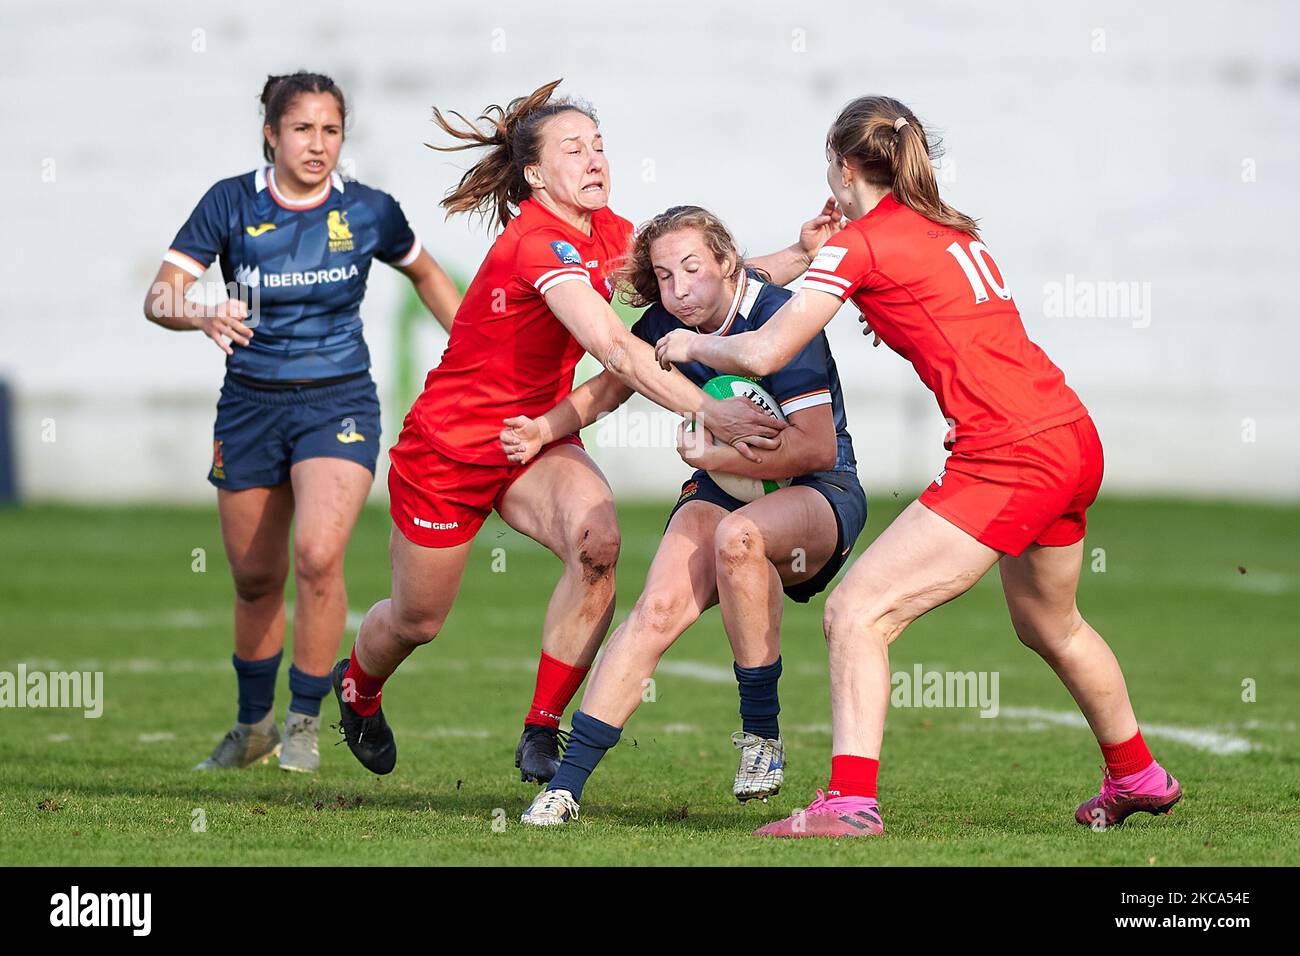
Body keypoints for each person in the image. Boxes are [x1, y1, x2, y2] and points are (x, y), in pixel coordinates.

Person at [653, 96, 1182, 837]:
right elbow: (953, 319)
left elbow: (765, 349)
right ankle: (1137, 774)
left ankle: (848, 803)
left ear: (842, 167)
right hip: (1067, 434)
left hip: (1009, 452)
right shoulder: (949, 226)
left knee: (855, 611)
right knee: (1048, 623)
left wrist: (692, 347)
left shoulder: (862, 245)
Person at [328, 80, 840, 785]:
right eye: (574, 149)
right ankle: (357, 685)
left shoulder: (608, 232)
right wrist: (708, 408)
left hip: (536, 437)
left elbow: (691, 284)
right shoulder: (535, 243)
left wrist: (799, 252)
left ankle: (542, 729)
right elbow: (618, 350)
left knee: (598, 546)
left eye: (599, 146)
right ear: (536, 175)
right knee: (417, 621)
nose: (595, 159)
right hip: (450, 448)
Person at [505, 205, 866, 825]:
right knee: (658, 610)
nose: (678, 289)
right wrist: (545, 427)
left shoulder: (781, 315)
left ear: (728, 262)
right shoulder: (668, 320)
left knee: (739, 536)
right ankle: (564, 788)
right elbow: (609, 384)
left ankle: (761, 736)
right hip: (724, 490)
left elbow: (814, 447)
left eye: (692, 269)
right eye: (664, 275)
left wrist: (716, 452)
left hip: (818, 493)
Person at [144, 71, 460, 773]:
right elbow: (159, 296)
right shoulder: (228, 203)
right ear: (271, 134)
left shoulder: (370, 210)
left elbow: (428, 275)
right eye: (302, 129)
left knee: (318, 558)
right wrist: (200, 311)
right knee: (255, 577)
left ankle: (306, 723)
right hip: (250, 406)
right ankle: (252, 727)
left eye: (330, 130)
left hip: (338, 403)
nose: (318, 144)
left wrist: (473, 351)